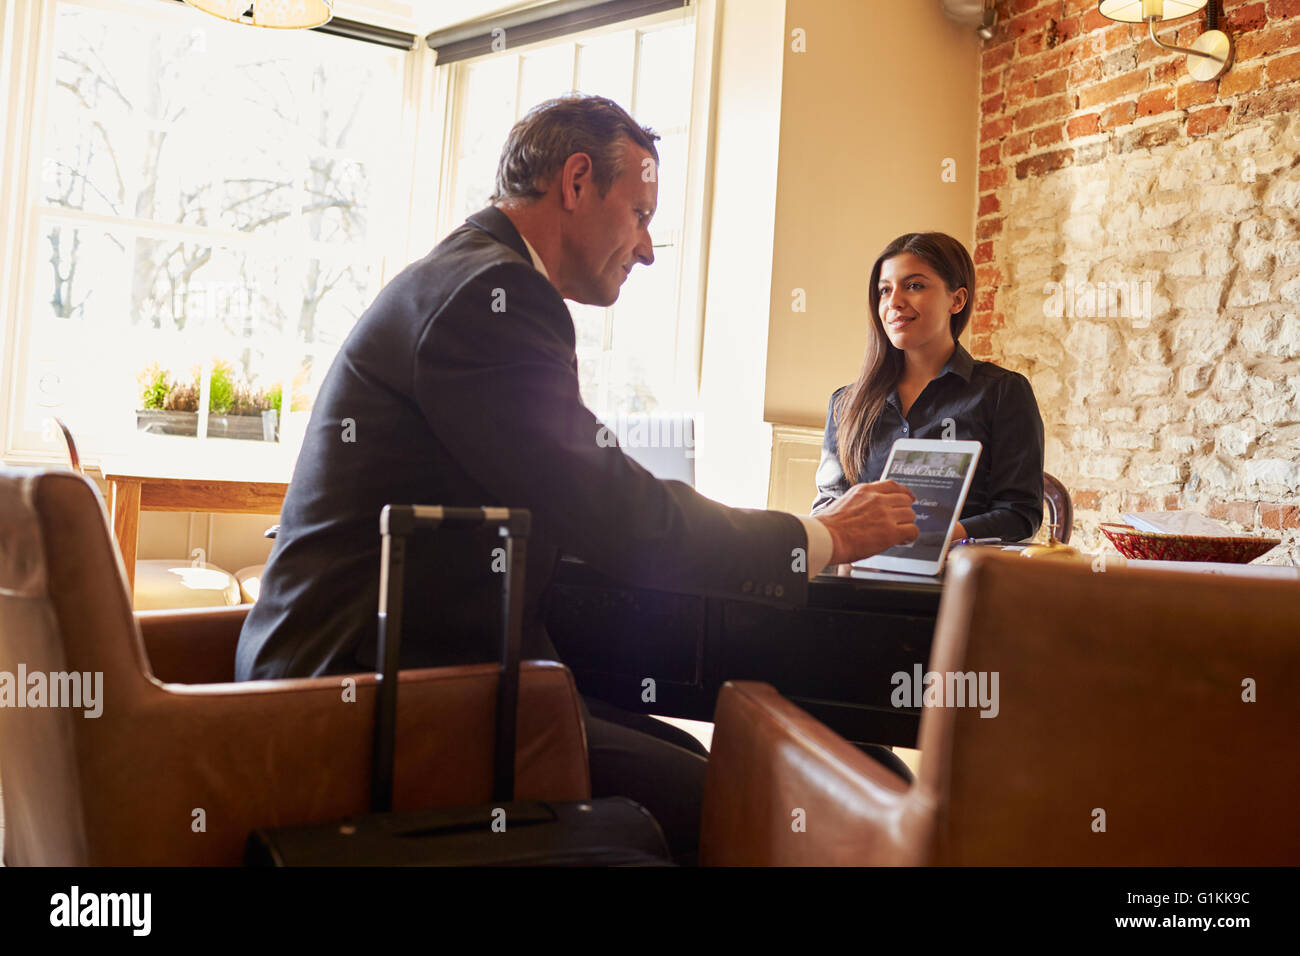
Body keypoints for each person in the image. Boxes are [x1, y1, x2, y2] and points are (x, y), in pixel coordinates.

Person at [235, 94, 920, 864]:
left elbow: (579, 492)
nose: (649, 248)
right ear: (577, 181)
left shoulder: (473, 280)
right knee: (759, 803)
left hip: (415, 673)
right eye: (639, 213)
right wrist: (822, 535)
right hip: (372, 695)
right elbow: (618, 514)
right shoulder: (490, 297)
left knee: (731, 769)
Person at [812, 233, 1045, 544]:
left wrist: (935, 538)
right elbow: (829, 504)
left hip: (957, 582)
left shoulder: (1003, 393)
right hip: (859, 576)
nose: (894, 301)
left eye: (914, 286)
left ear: (957, 300)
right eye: (884, 290)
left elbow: (1019, 514)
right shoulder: (845, 403)